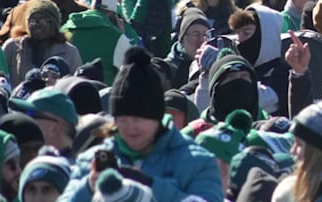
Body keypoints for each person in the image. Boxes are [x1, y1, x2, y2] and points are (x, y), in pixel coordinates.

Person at [56, 48, 223, 202]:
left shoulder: (196, 161)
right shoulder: (91, 160)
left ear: (157, 117)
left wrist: (150, 185)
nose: (130, 127)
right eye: (122, 120)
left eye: (138, 120)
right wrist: (89, 186)